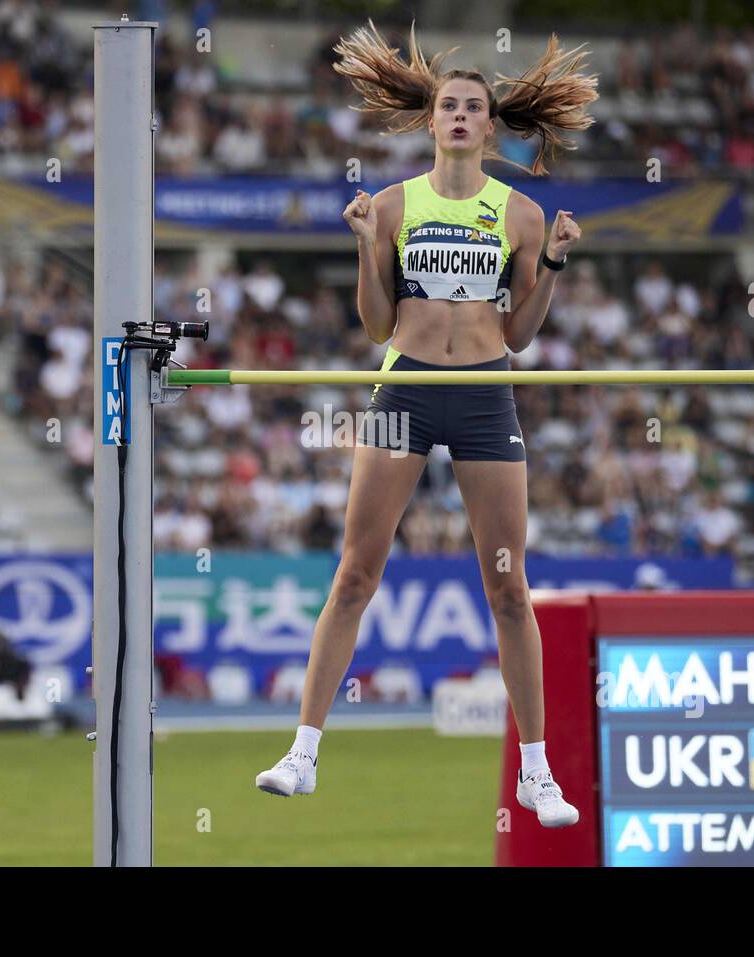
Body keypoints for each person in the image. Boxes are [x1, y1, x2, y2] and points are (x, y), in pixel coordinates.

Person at [255, 21, 596, 828]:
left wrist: (548, 265)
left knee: (510, 587)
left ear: (489, 124)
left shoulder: (517, 213)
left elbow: (517, 334)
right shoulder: (395, 203)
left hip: (485, 393)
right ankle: (302, 752)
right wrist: (366, 248)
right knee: (354, 575)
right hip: (402, 389)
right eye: (449, 105)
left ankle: (537, 773)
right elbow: (376, 325)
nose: (459, 117)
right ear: (431, 117)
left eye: (474, 107)